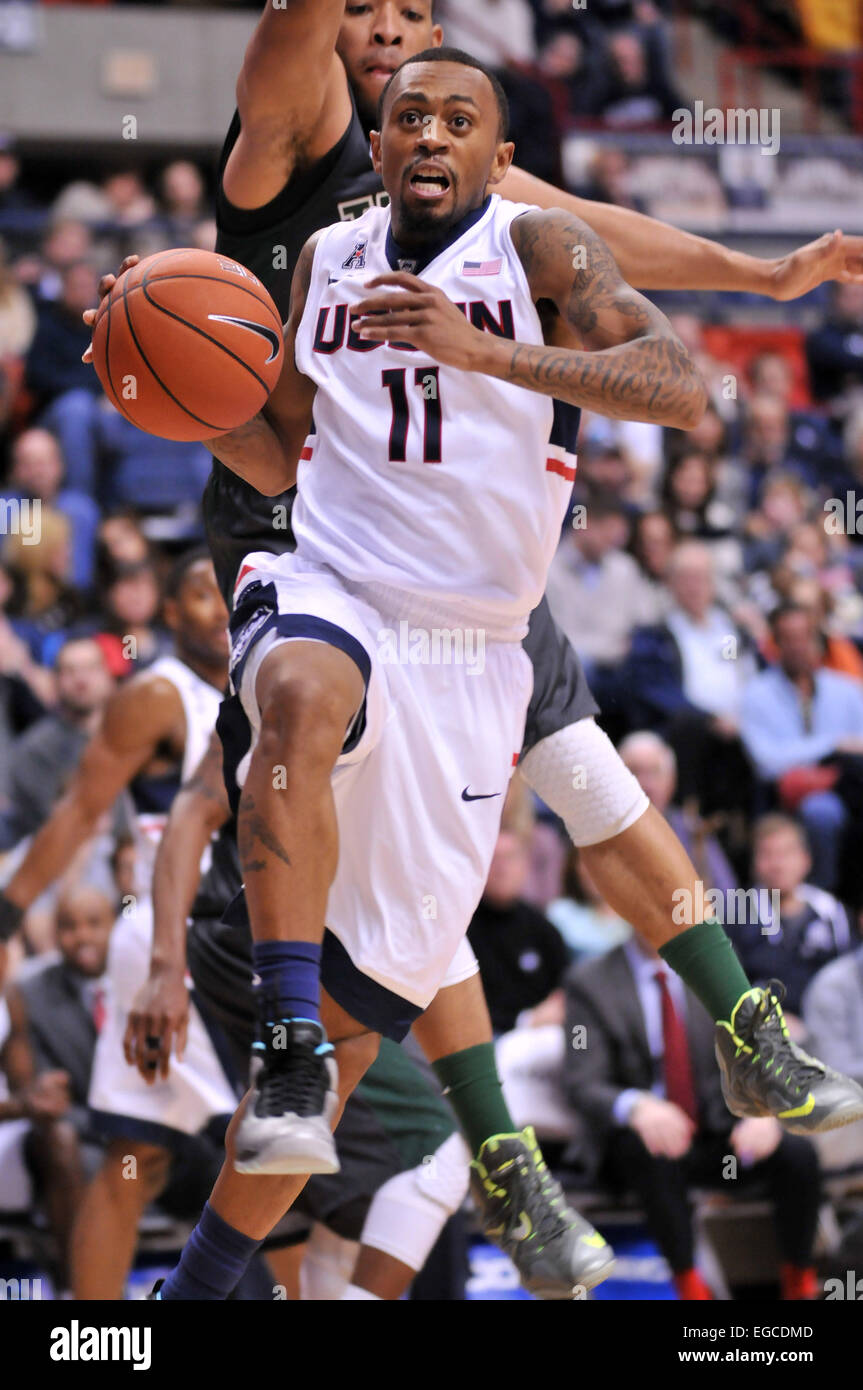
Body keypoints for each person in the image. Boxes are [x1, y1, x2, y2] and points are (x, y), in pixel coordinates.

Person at [86, 0, 863, 1296]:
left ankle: (200, 1287)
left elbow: (680, 390)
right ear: (374, 144)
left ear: (501, 158)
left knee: (362, 1032)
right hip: (326, 574)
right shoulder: (321, 254)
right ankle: (283, 1027)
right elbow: (276, 444)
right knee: (297, 694)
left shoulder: (537, 249)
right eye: (404, 117)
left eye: (456, 116)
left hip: (475, 639)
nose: (426, 129)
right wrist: (181, 393)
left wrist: (489, 348)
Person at [128, 726, 472, 1301]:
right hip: (269, 925)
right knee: (432, 1150)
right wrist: (164, 967)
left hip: (293, 933)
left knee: (299, 1163)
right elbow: (190, 816)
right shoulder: (315, 667)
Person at [0, 551, 237, 1299]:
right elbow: (78, 811)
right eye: (200, 593)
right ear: (167, 615)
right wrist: (7, 914)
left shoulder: (285, 679)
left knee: (152, 1155)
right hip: (180, 943)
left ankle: (99, 1326)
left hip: (253, 941)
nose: (223, 604)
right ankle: (97, 1327)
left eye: (231, 585)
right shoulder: (160, 695)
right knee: (258, 1155)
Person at [564, 937, 822, 1301]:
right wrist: (637, 1106)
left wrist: (763, 1110)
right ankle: (688, 1284)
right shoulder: (590, 980)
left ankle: (799, 1280)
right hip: (637, 1149)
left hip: (718, 1143)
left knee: (796, 1153)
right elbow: (582, 1081)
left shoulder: (715, 967)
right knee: (651, 1149)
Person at [2, 884, 113, 1292]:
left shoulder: (144, 982)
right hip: (64, 1130)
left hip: (147, 1131)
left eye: (93, 924)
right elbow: (36, 1095)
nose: (81, 936)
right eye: (68, 926)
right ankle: (78, 1286)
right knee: (59, 1137)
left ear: (114, 926)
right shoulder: (25, 993)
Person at [740, 602, 863, 893]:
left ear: (816, 641)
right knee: (820, 811)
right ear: (775, 644)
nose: (797, 646)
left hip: (849, 786)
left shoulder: (844, 689)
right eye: (788, 638)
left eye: (804, 637)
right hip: (786, 796)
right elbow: (766, 761)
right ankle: (823, 899)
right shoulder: (756, 694)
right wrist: (832, 745)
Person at [733, 815, 855, 1020]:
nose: (777, 864)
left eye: (786, 853)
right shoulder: (736, 915)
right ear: (754, 863)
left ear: (806, 860)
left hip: (829, 1026)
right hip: (760, 1031)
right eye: (767, 854)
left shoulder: (832, 913)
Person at [0, 636, 114, 849]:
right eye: (69, 671)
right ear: (55, 681)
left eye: (91, 668)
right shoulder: (35, 749)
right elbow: (48, 826)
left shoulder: (128, 735)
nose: (81, 680)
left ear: (108, 675)